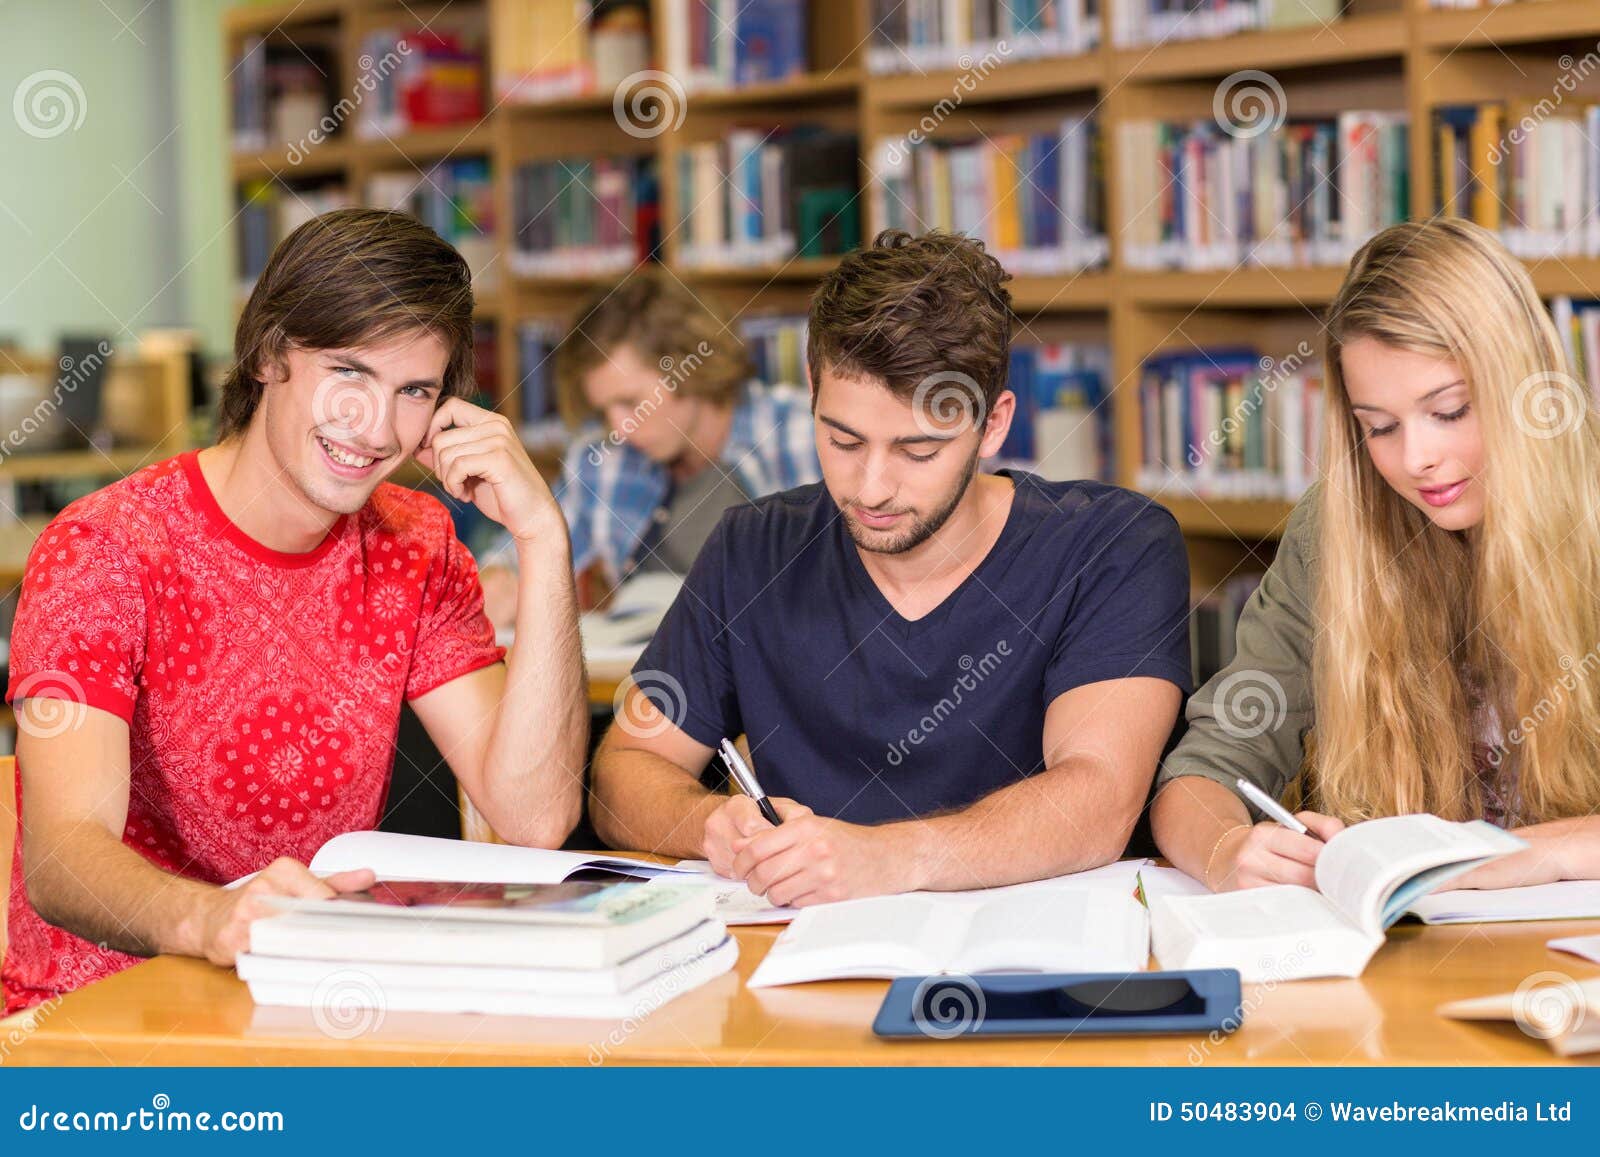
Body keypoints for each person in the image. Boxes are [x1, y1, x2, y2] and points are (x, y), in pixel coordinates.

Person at [2, 209, 587, 1014]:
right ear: (270, 353)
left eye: (413, 389)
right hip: (103, 1023)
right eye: (349, 372)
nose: (374, 427)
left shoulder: (415, 542)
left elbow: (534, 815)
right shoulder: (103, 549)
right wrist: (215, 920)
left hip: (301, 1003)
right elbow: (63, 857)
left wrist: (543, 538)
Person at [587, 229, 1193, 906]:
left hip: (1038, 972)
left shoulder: (1112, 547)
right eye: (843, 439)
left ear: (992, 425)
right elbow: (624, 769)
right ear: (813, 390)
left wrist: (884, 857)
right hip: (806, 966)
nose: (871, 487)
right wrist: (710, 824)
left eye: (916, 450)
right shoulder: (751, 549)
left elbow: (1099, 800)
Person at [1152, 216, 1600, 893]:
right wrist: (1226, 850)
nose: (1416, 459)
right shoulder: (1335, 527)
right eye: (1379, 427)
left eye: (1449, 411)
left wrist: (1512, 856)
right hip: (1403, 960)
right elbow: (1205, 770)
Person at [478, 272, 819, 624]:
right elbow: (526, 549)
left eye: (630, 402)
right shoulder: (602, 461)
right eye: (605, 409)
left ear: (689, 368)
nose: (620, 428)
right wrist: (501, 579)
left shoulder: (802, 434)